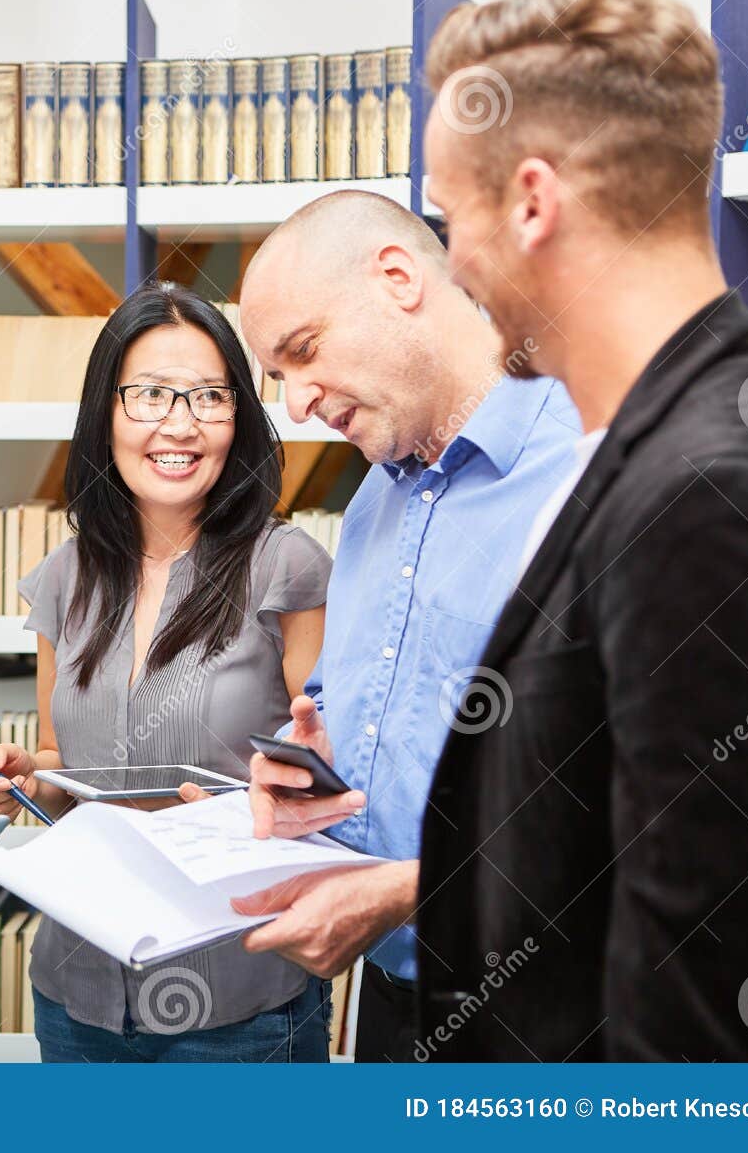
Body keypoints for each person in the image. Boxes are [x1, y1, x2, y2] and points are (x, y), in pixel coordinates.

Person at [416, 0, 748, 1058]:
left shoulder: (717, 499)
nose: (450, 264)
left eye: (447, 216)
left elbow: (715, 1039)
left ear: (531, 203)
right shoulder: (649, 458)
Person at [225, 189, 580, 1062]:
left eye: (303, 353)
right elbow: (355, 709)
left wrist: (415, 890)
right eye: (278, 379)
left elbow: (665, 799)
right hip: (392, 1004)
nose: (297, 404)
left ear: (398, 279)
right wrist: (307, 770)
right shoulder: (374, 504)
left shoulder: (595, 466)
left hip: (561, 1009)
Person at [0, 282, 333, 1062]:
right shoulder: (63, 577)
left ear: (239, 415)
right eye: (150, 395)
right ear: (106, 411)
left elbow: (332, 780)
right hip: (78, 991)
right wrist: (24, 775)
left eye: (208, 396)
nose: (180, 423)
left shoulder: (287, 567)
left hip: (241, 993)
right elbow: (71, 771)